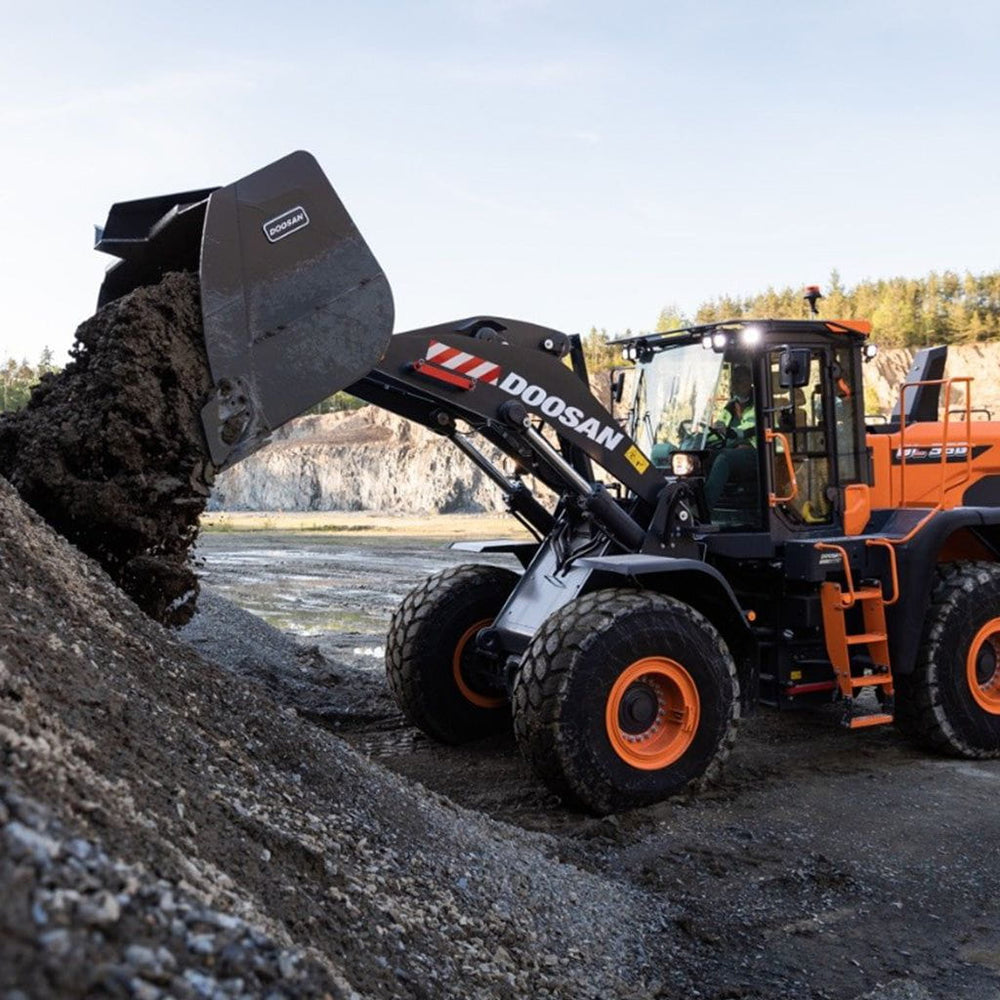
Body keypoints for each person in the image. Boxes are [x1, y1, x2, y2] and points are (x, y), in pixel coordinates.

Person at [704, 364, 758, 508]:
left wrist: (728, 431)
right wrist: (703, 436)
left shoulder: (760, 403)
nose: (735, 384)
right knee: (702, 455)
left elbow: (747, 431)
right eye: (734, 380)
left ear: (749, 381)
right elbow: (720, 428)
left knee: (724, 459)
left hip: (759, 454)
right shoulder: (731, 406)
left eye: (740, 380)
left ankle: (703, 509)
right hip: (735, 450)